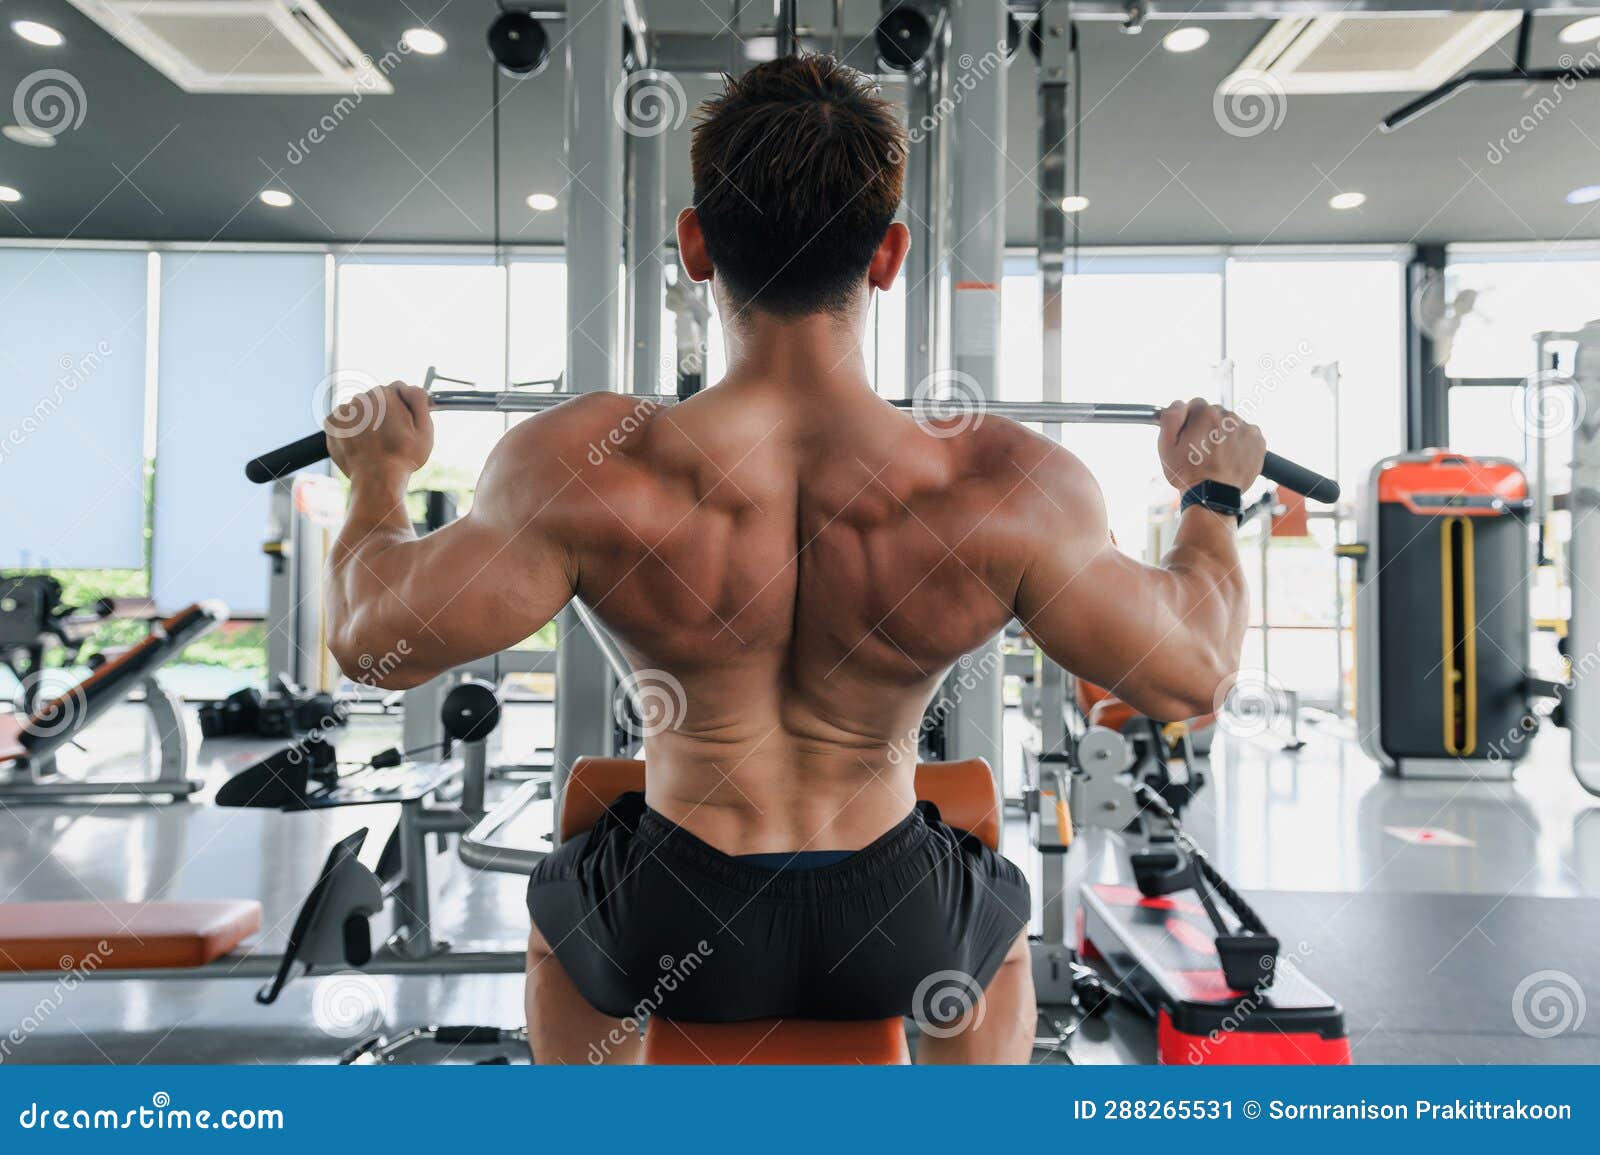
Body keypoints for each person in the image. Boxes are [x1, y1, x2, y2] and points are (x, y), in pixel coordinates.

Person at [322, 55, 1264, 1064]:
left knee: (566, 896)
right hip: (895, 916)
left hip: (674, 908)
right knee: (995, 909)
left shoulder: (585, 463)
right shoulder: (1004, 481)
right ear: (889, 256)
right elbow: (1189, 672)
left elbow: (376, 640)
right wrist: (1208, 495)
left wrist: (376, 476)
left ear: (693, 245)